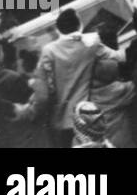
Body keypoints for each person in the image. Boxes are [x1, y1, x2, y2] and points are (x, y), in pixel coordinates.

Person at [27, 8, 124, 148]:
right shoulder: (90, 43)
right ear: (79, 24)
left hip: (61, 120)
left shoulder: (48, 50)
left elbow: (47, 86)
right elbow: (117, 56)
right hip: (87, 117)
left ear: (59, 29)